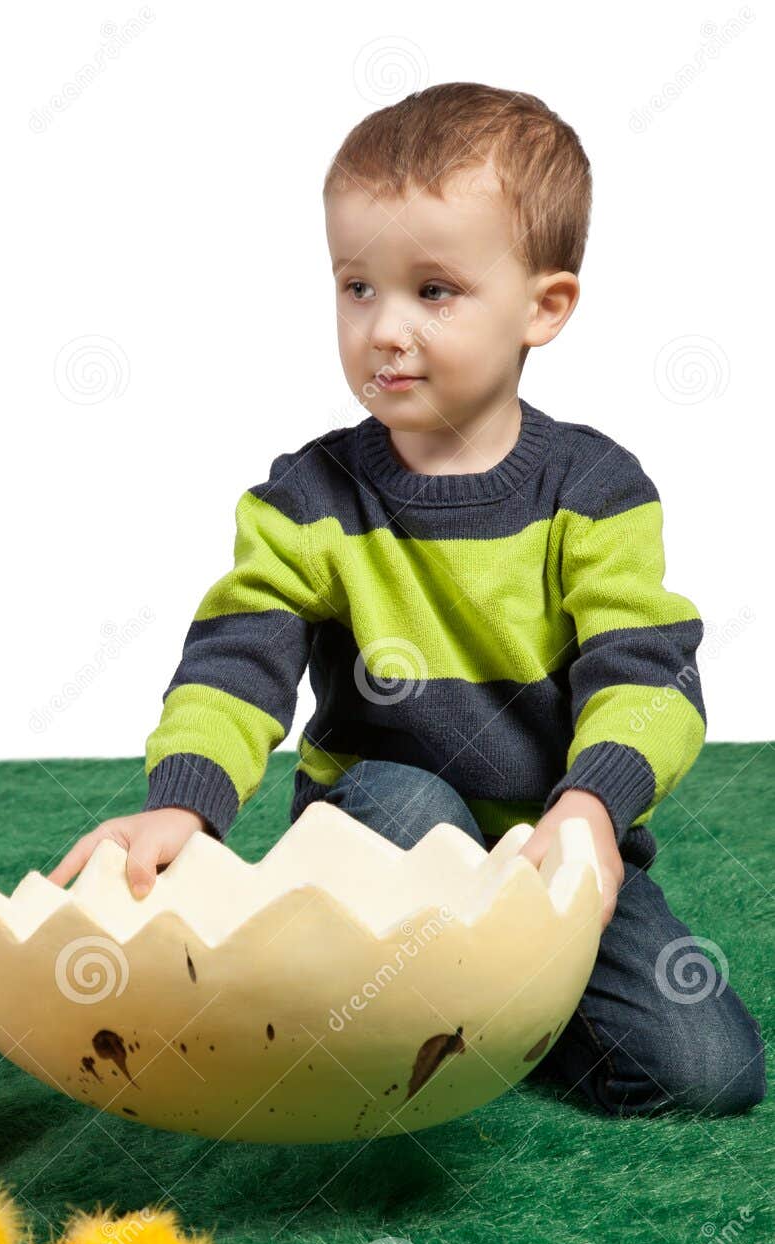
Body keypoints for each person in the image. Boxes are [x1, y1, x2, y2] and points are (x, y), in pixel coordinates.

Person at [50, 82, 765, 1118]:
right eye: (356, 287)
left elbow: (648, 677)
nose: (383, 328)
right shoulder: (308, 497)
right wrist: (184, 799)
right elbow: (235, 663)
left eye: (433, 291)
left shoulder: (595, 489)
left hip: (549, 853)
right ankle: (378, 994)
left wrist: (588, 809)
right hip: (381, 841)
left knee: (709, 1071)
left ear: (543, 306)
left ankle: (485, 1020)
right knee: (413, 804)